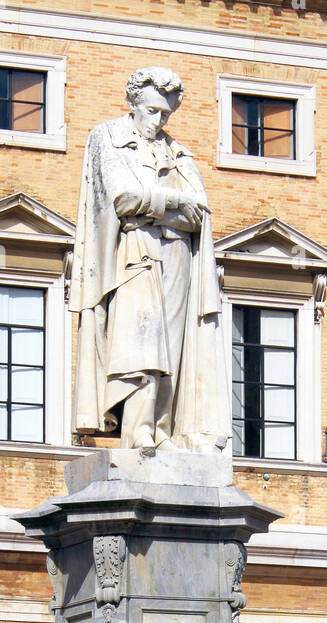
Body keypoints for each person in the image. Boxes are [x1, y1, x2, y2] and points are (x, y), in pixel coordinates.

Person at [70, 67, 231, 455]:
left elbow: (200, 214)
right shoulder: (107, 138)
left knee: (172, 350)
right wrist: (173, 203)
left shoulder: (178, 153)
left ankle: (163, 433)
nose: (158, 121)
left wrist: (154, 205)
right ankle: (137, 431)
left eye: (166, 114)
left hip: (177, 256)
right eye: (153, 111)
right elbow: (121, 197)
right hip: (133, 255)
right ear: (133, 103)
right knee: (139, 342)